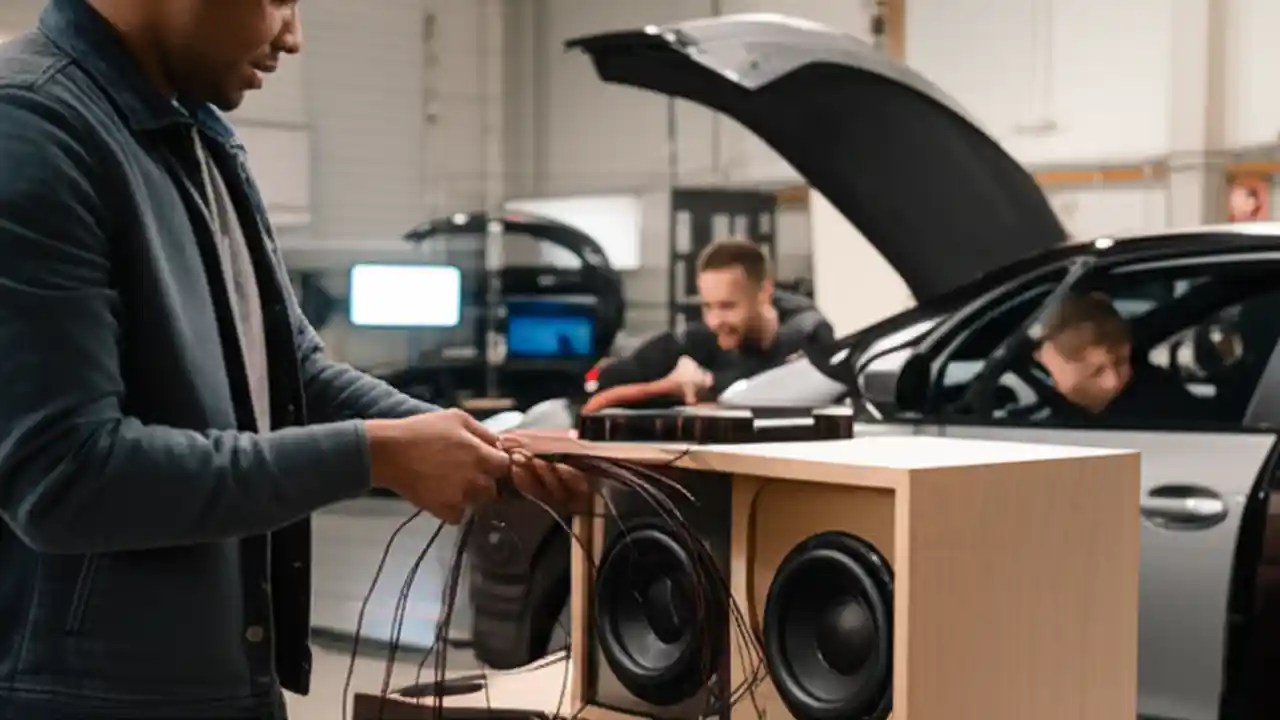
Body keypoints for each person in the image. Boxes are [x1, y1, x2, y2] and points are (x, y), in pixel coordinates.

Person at [0, 1, 586, 718]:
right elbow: (65, 477)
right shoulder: (29, 129)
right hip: (85, 697)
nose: (294, 36)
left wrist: (475, 443)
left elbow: (295, 370)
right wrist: (370, 457)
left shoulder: (197, 135)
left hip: (220, 677)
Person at [585, 239, 834, 412]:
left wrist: (706, 384)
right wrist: (671, 385)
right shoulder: (700, 339)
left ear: (764, 292)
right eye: (708, 306)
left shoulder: (808, 336)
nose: (715, 321)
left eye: (728, 306)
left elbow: (773, 389)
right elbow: (609, 382)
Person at [1034, 291, 1205, 422]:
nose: (1113, 381)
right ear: (1053, 369)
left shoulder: (1157, 395)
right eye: (1096, 372)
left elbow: (1190, 306)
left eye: (1121, 362)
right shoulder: (1052, 431)